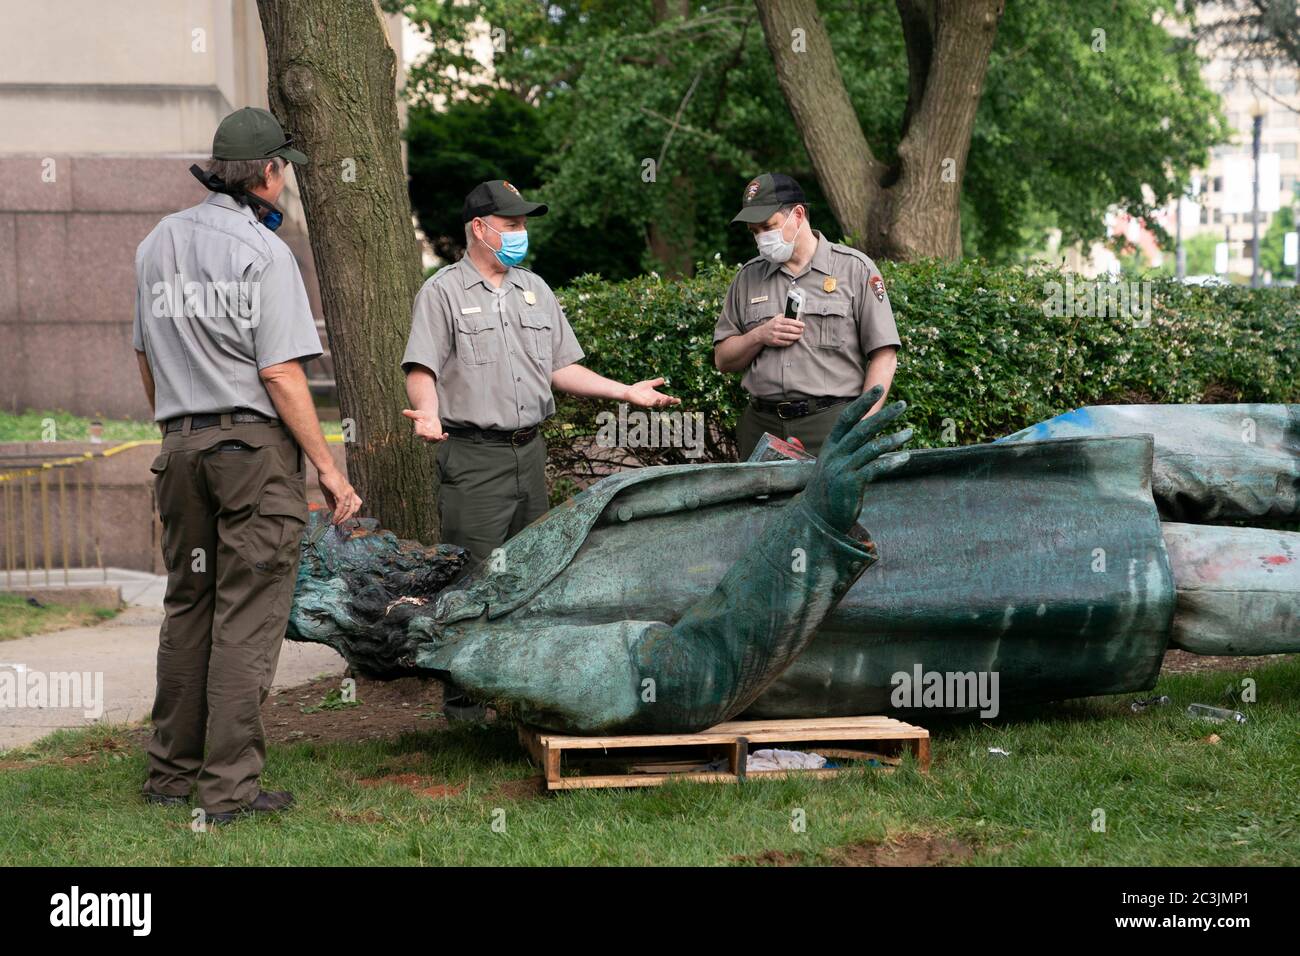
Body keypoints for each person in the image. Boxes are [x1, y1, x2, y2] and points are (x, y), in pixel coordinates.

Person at [132, 106, 361, 824]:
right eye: (283, 167)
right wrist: (329, 468)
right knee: (245, 618)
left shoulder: (155, 244)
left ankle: (171, 773)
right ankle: (229, 791)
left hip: (180, 448)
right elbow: (283, 375)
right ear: (267, 173)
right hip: (251, 454)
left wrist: (176, 426)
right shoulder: (265, 254)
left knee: (188, 607)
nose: (286, 178)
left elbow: (145, 357)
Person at [401, 179, 679, 567]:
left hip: (530, 454)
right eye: (512, 225)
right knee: (473, 576)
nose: (522, 234)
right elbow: (421, 367)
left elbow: (561, 367)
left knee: (529, 570)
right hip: (474, 458)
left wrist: (626, 392)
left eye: (523, 226)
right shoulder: (442, 292)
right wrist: (428, 411)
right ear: (480, 228)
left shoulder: (535, 288)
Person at [714, 173, 901, 459]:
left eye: (768, 226)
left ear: (798, 215)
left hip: (831, 423)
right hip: (761, 426)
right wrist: (759, 335)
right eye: (754, 231)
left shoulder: (855, 269)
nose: (762, 238)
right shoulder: (748, 277)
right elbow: (723, 360)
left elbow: (884, 355)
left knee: (833, 504)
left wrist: (861, 425)